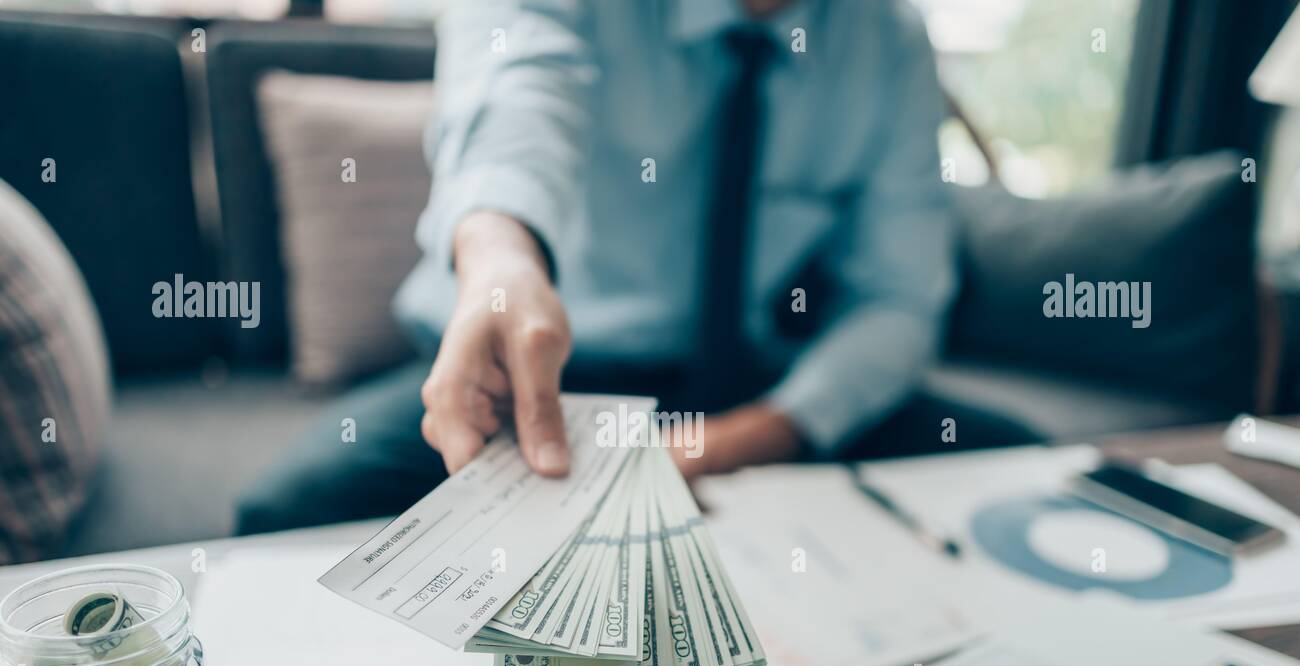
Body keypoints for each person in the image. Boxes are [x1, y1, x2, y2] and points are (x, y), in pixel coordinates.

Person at [235, 0, 1037, 536]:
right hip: (533, 381)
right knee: (290, 510)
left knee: (1027, 465)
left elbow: (899, 299)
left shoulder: (888, 40)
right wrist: (501, 255)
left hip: (752, 386)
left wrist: (752, 437)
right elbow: (519, 94)